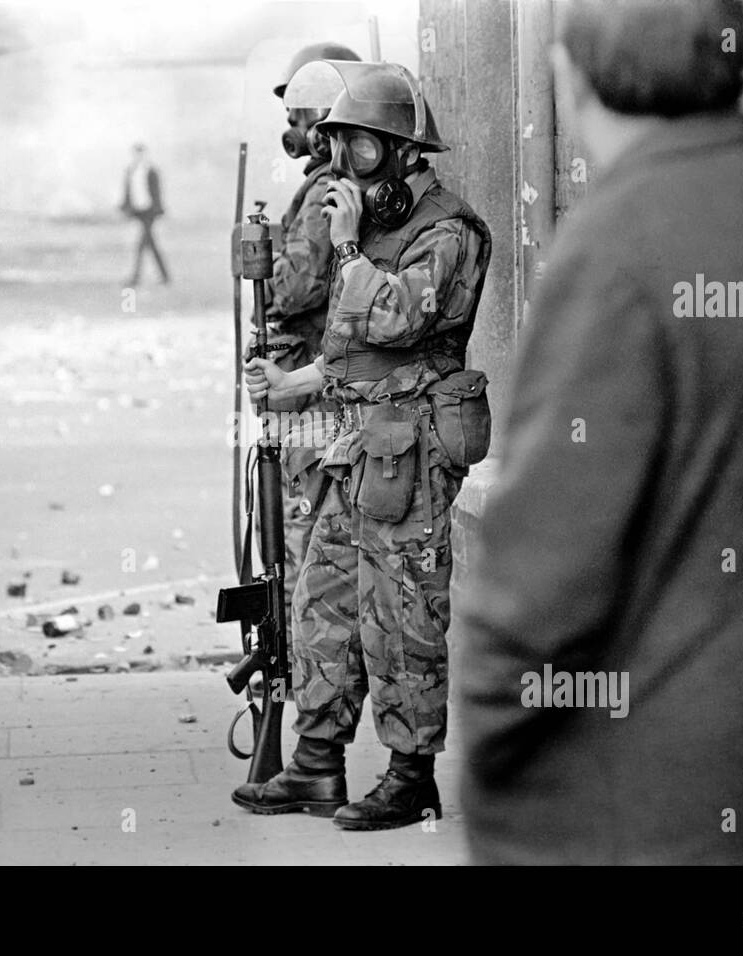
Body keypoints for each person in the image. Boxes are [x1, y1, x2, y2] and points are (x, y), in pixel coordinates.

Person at [456, 0, 743, 864]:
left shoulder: (615, 251)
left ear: (572, 77)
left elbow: (543, 571)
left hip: (639, 806)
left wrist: (490, 749)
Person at [233, 61, 492, 830]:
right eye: (337, 146)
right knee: (326, 603)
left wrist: (347, 251)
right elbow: (350, 347)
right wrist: (293, 385)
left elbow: (397, 322)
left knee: (404, 616)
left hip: (412, 454)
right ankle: (317, 764)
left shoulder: (450, 231)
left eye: (363, 149)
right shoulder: (375, 230)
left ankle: (412, 777)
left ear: (406, 152)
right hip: (356, 444)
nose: (345, 165)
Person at [261, 41, 360, 640]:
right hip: (302, 380)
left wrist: (262, 265)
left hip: (313, 388)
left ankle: (303, 665)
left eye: (300, 117)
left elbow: (293, 288)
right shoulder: (327, 184)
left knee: (305, 522)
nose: (292, 130)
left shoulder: (331, 188)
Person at [120, 143, 169, 286]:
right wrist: (126, 207)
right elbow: (128, 191)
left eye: (140, 153)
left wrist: (158, 209)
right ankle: (165, 276)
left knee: (142, 244)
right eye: (136, 153)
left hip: (149, 211)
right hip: (139, 211)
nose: (138, 156)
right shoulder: (131, 170)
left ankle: (135, 277)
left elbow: (157, 192)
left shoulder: (151, 171)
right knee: (151, 244)